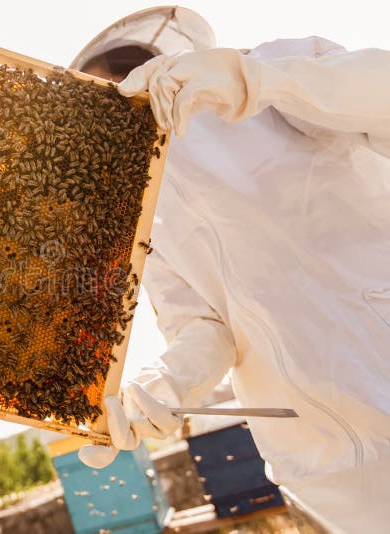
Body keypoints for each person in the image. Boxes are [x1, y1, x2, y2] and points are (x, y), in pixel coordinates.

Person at [70, 6, 390, 532]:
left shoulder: (269, 74)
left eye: (115, 82)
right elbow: (203, 327)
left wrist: (256, 81)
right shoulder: (136, 206)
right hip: (328, 465)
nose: (111, 100)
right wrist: (163, 387)